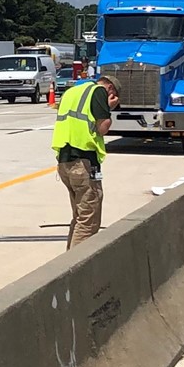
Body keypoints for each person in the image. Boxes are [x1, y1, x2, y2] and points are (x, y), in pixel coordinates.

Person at [52, 72, 120, 249]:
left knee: (80, 216)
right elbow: (102, 128)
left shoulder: (72, 92)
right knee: (88, 221)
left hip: (65, 161)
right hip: (84, 162)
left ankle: (68, 259)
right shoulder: (98, 92)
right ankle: (74, 267)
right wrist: (109, 108)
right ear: (110, 89)